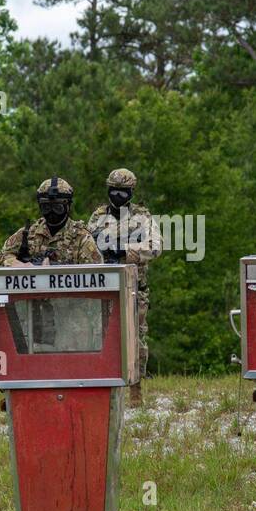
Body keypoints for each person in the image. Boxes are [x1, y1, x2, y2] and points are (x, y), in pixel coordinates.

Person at [87, 168, 161, 406]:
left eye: (123, 191)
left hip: (134, 286)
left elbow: (155, 246)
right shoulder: (98, 216)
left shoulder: (142, 216)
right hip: (104, 285)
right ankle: (105, 386)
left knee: (135, 339)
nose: (118, 195)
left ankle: (136, 391)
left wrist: (124, 251)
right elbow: (86, 245)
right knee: (102, 336)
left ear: (132, 191)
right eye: (114, 190)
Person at [0, 177, 103, 266]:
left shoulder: (81, 237)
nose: (52, 212)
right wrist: (19, 265)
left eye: (57, 207)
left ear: (68, 206)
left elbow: (95, 273)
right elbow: (2, 254)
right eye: (46, 207)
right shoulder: (29, 233)